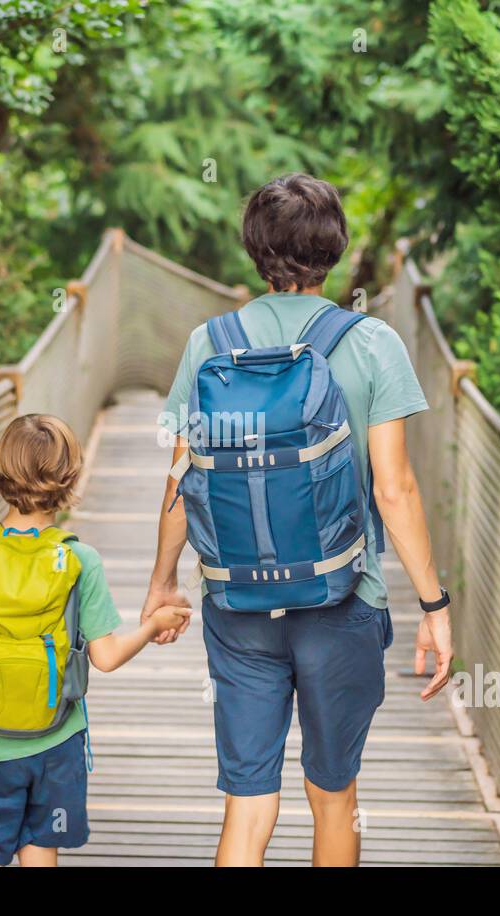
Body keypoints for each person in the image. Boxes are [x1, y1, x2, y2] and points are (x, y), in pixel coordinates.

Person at [141, 173, 454, 866]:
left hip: (238, 599)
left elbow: (180, 478)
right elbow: (395, 489)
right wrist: (434, 603)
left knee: (248, 804)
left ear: (254, 250)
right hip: (340, 602)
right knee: (334, 797)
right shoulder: (372, 343)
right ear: (335, 249)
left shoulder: (208, 343)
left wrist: (162, 582)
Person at [0, 413, 191, 867]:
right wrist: (151, 628)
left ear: (0, 475)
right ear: (68, 479)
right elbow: (105, 658)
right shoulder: (78, 560)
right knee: (40, 849)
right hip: (55, 741)